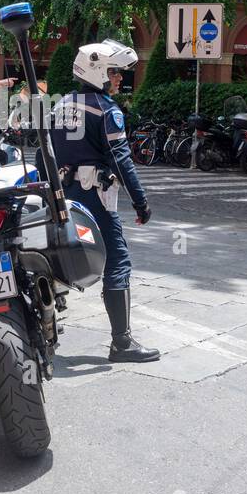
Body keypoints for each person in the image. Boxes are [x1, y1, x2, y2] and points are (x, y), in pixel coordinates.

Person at [50, 39, 158, 363]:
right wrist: (141, 203)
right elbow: (122, 161)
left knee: (58, 258)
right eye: (114, 72)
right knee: (117, 260)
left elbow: (45, 155)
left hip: (65, 195)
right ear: (97, 71)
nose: (119, 78)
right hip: (96, 198)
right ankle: (121, 343)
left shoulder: (58, 105)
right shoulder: (106, 110)